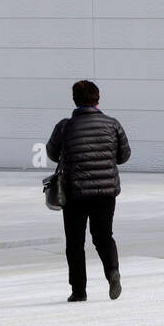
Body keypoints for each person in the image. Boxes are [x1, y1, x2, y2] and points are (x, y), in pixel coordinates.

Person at [46, 80, 131, 302]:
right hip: (105, 192)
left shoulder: (64, 127)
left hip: (75, 192)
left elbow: (52, 154)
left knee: (75, 242)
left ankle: (79, 291)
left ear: (74, 100)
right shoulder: (112, 124)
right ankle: (112, 271)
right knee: (103, 236)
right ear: (98, 99)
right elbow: (123, 156)